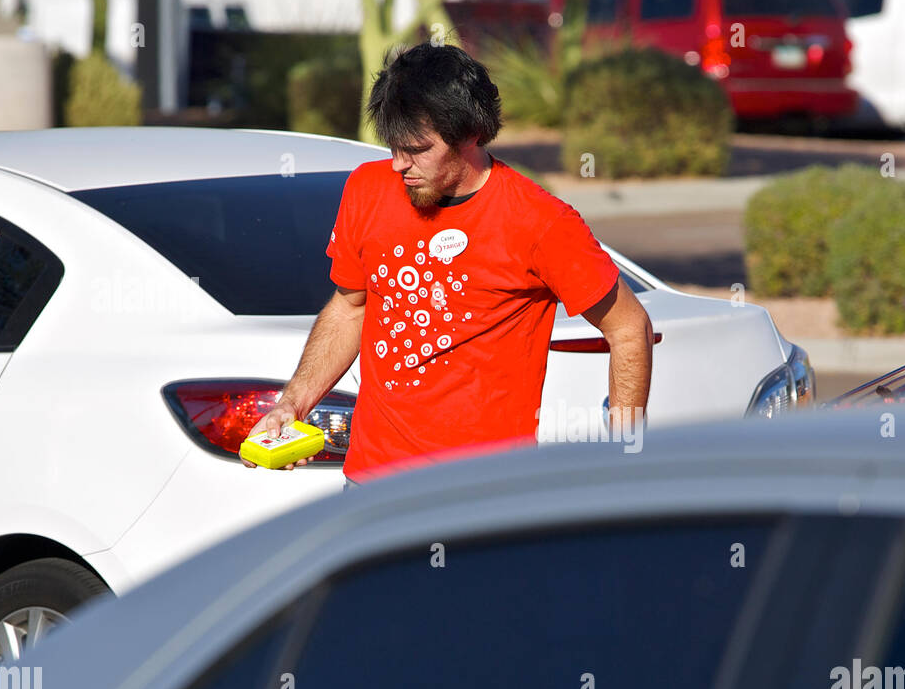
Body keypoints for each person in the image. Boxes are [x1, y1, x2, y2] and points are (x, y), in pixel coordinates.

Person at [240, 42, 654, 490]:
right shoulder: (367, 189)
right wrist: (291, 404)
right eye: (394, 147)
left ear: (470, 133)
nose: (400, 165)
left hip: (476, 501)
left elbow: (629, 328)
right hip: (369, 487)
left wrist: (623, 454)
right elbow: (350, 309)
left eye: (417, 149)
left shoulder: (541, 223)